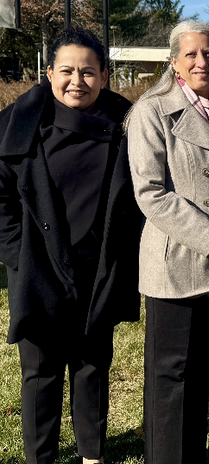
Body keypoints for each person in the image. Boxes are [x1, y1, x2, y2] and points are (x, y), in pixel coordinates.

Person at [0, 26, 139, 464]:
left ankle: (92, 456)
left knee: (92, 364)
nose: (77, 81)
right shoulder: (15, 128)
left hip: (98, 266)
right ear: (49, 72)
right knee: (40, 371)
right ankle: (40, 457)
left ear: (104, 74)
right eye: (66, 71)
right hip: (37, 264)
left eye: (88, 72)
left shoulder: (127, 126)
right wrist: (18, 253)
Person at [127, 21, 209, 464]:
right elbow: (150, 194)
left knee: (199, 369)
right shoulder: (153, 111)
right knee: (170, 376)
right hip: (178, 260)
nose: (202, 62)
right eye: (191, 55)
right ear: (175, 64)